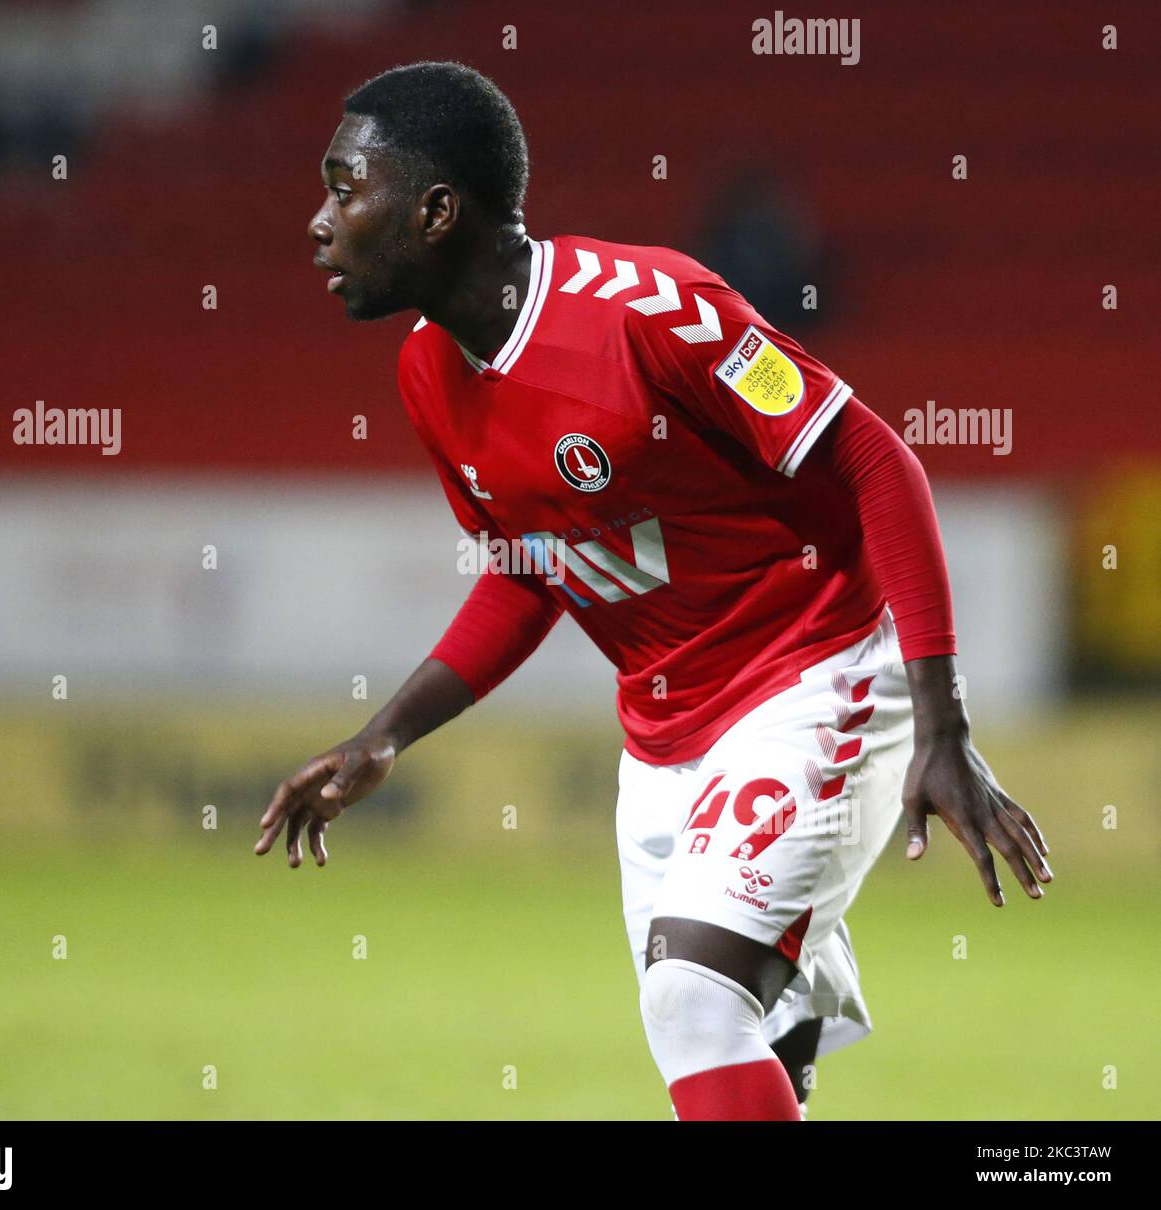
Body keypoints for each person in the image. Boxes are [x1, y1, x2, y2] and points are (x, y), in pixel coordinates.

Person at [257, 60, 1053, 1121]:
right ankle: (790, 1018)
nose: (319, 221)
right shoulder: (426, 371)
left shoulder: (649, 313)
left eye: (343, 186)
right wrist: (387, 735)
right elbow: (529, 572)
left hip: (815, 676)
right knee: (738, 1040)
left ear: (436, 210)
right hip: (664, 743)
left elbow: (876, 461)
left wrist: (942, 725)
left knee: (693, 998)